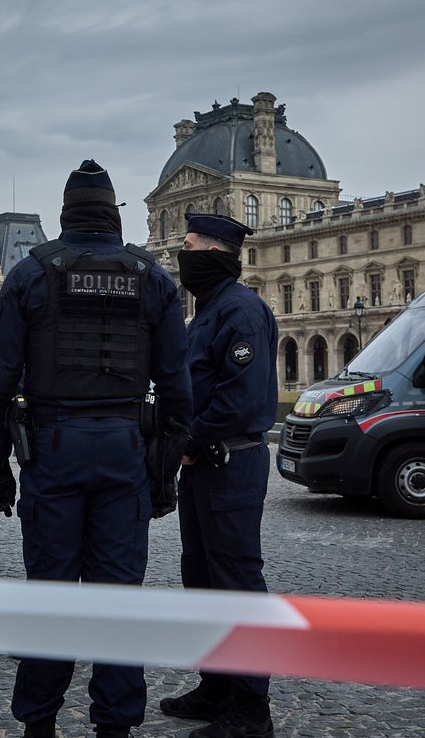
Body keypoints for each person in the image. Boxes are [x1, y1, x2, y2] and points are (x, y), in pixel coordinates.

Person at [0, 160, 193, 738]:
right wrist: (166, 473)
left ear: (66, 215)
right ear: (115, 215)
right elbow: (177, 386)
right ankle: (115, 728)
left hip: (52, 448)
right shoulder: (152, 278)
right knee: (119, 598)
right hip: (125, 448)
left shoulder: (30, 274)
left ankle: (39, 725)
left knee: (50, 594)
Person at [160, 213, 280, 738]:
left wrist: (190, 439)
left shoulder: (241, 312)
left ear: (212, 253)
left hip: (229, 462)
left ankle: (252, 709)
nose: (179, 256)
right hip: (206, 468)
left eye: (186, 246)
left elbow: (241, 400)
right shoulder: (207, 312)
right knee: (202, 579)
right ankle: (217, 686)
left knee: (235, 582)